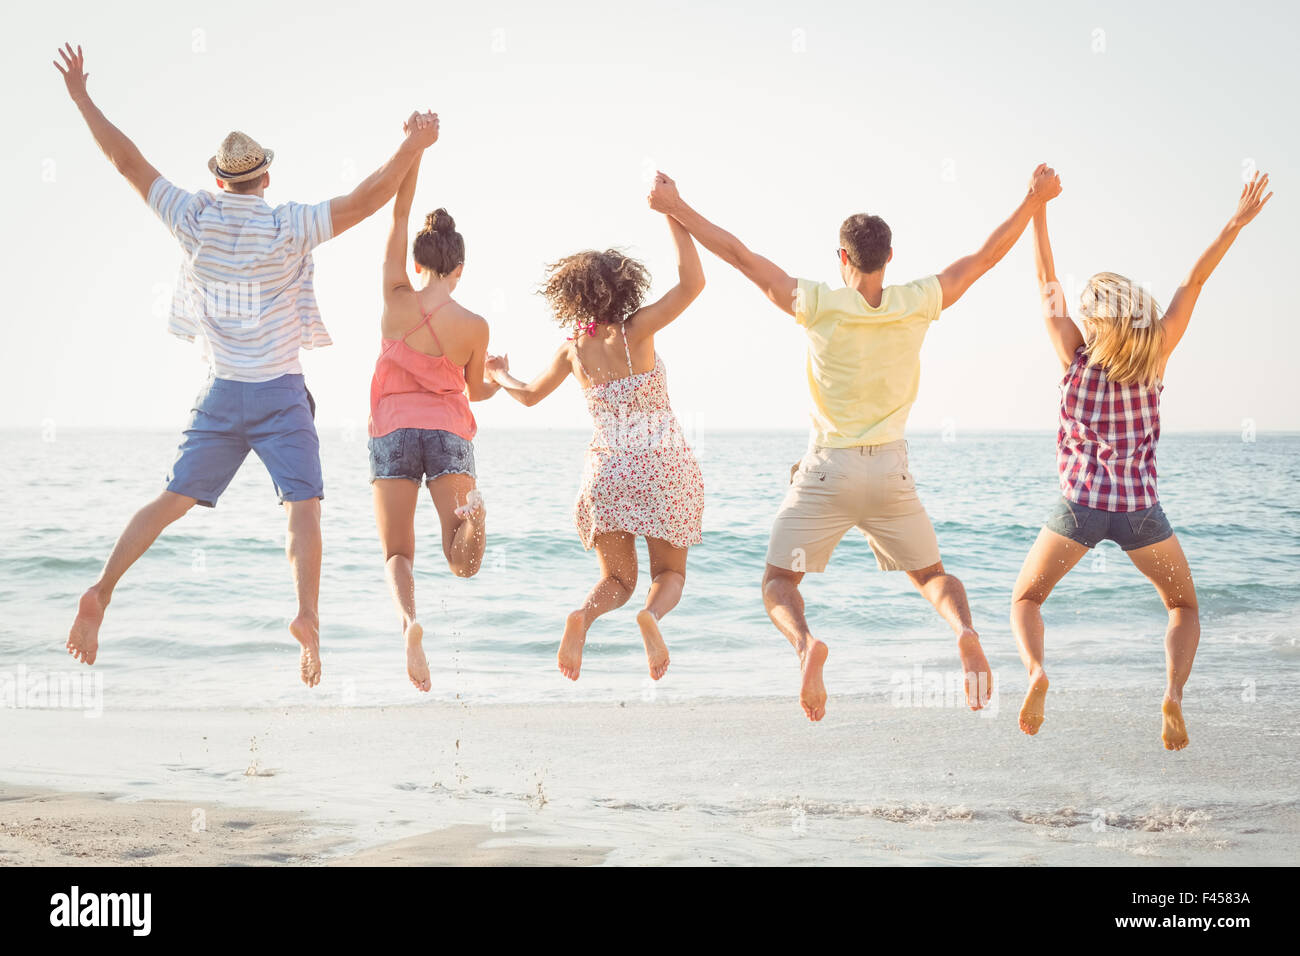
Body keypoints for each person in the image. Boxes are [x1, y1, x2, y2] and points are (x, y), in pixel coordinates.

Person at [54, 42, 440, 687]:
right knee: (304, 506)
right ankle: (307, 617)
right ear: (263, 179)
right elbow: (370, 198)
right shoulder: (288, 226)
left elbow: (126, 162)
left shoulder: (192, 216)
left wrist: (82, 98)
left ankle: (102, 589)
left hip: (222, 393)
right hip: (280, 393)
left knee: (172, 498)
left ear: (219, 181)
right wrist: (414, 146)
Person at [647, 165, 1062, 721]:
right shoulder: (918, 300)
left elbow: (741, 256)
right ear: (890, 258)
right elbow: (986, 257)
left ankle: (805, 646)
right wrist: (1034, 200)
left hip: (826, 474)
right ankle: (963, 631)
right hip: (890, 475)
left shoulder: (817, 302)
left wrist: (675, 206)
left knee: (778, 580)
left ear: (843, 259)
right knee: (931, 576)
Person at [1011, 171, 1273, 750]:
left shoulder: (1073, 359)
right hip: (1139, 512)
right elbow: (1193, 280)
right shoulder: (1157, 355)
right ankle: (1173, 696)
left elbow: (1044, 280)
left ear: (1095, 320)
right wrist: (1234, 222)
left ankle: (1036, 672)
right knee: (1182, 605)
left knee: (1027, 600)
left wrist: (1038, 209)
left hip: (1078, 507)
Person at [486, 186, 706, 681]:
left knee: (617, 579)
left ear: (573, 297)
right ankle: (651, 616)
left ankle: (582, 617)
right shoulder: (637, 331)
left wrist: (499, 373)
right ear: (625, 288)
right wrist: (672, 213)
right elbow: (693, 283)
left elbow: (527, 396)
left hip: (607, 470)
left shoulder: (573, 351)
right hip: (661, 463)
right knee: (667, 575)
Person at [368, 156, 499, 692]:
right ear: (460, 268)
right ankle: (475, 518)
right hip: (447, 433)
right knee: (461, 562)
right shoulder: (474, 325)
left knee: (399, 553)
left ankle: (408, 622)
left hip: (394, 430)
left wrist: (414, 153)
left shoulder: (395, 300)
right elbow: (476, 392)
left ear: (418, 261)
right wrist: (494, 373)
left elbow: (399, 215)